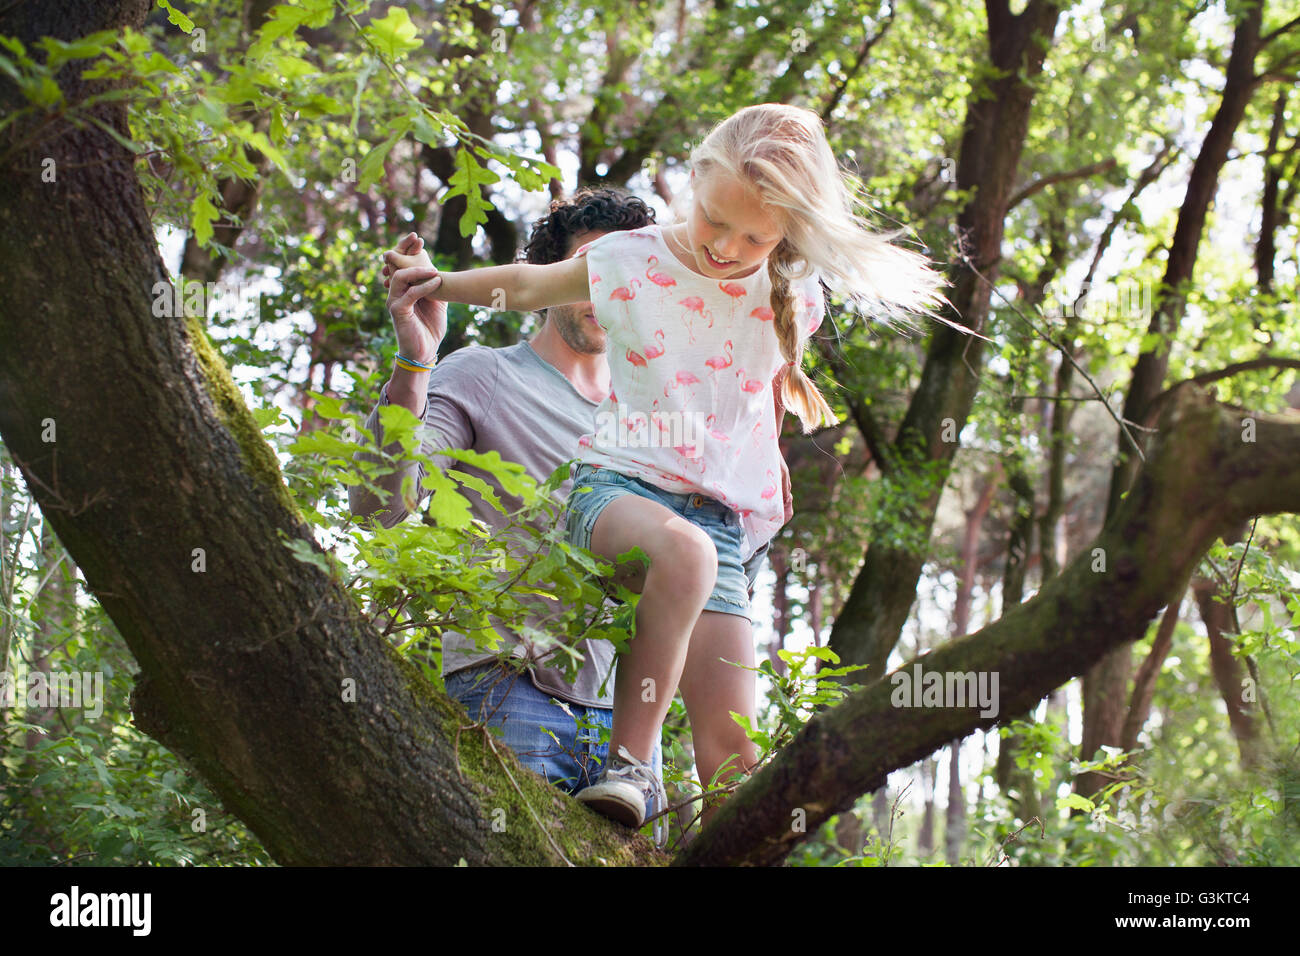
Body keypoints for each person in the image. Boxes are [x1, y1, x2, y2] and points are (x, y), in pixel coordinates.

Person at [390, 103, 946, 835]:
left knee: (735, 754)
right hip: (617, 488)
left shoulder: (791, 289)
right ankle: (632, 762)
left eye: (756, 236)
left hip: (713, 520)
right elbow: (526, 290)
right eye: (716, 220)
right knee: (680, 556)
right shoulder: (632, 261)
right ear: (695, 181)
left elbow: (752, 391)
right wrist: (438, 284)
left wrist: (759, 465)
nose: (727, 246)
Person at [350, 187, 785, 846]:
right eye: (592, 273)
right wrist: (415, 362)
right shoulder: (484, 375)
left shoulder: (660, 421)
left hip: (624, 735)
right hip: (510, 693)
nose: (607, 293)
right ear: (555, 278)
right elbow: (380, 505)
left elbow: (705, 578)